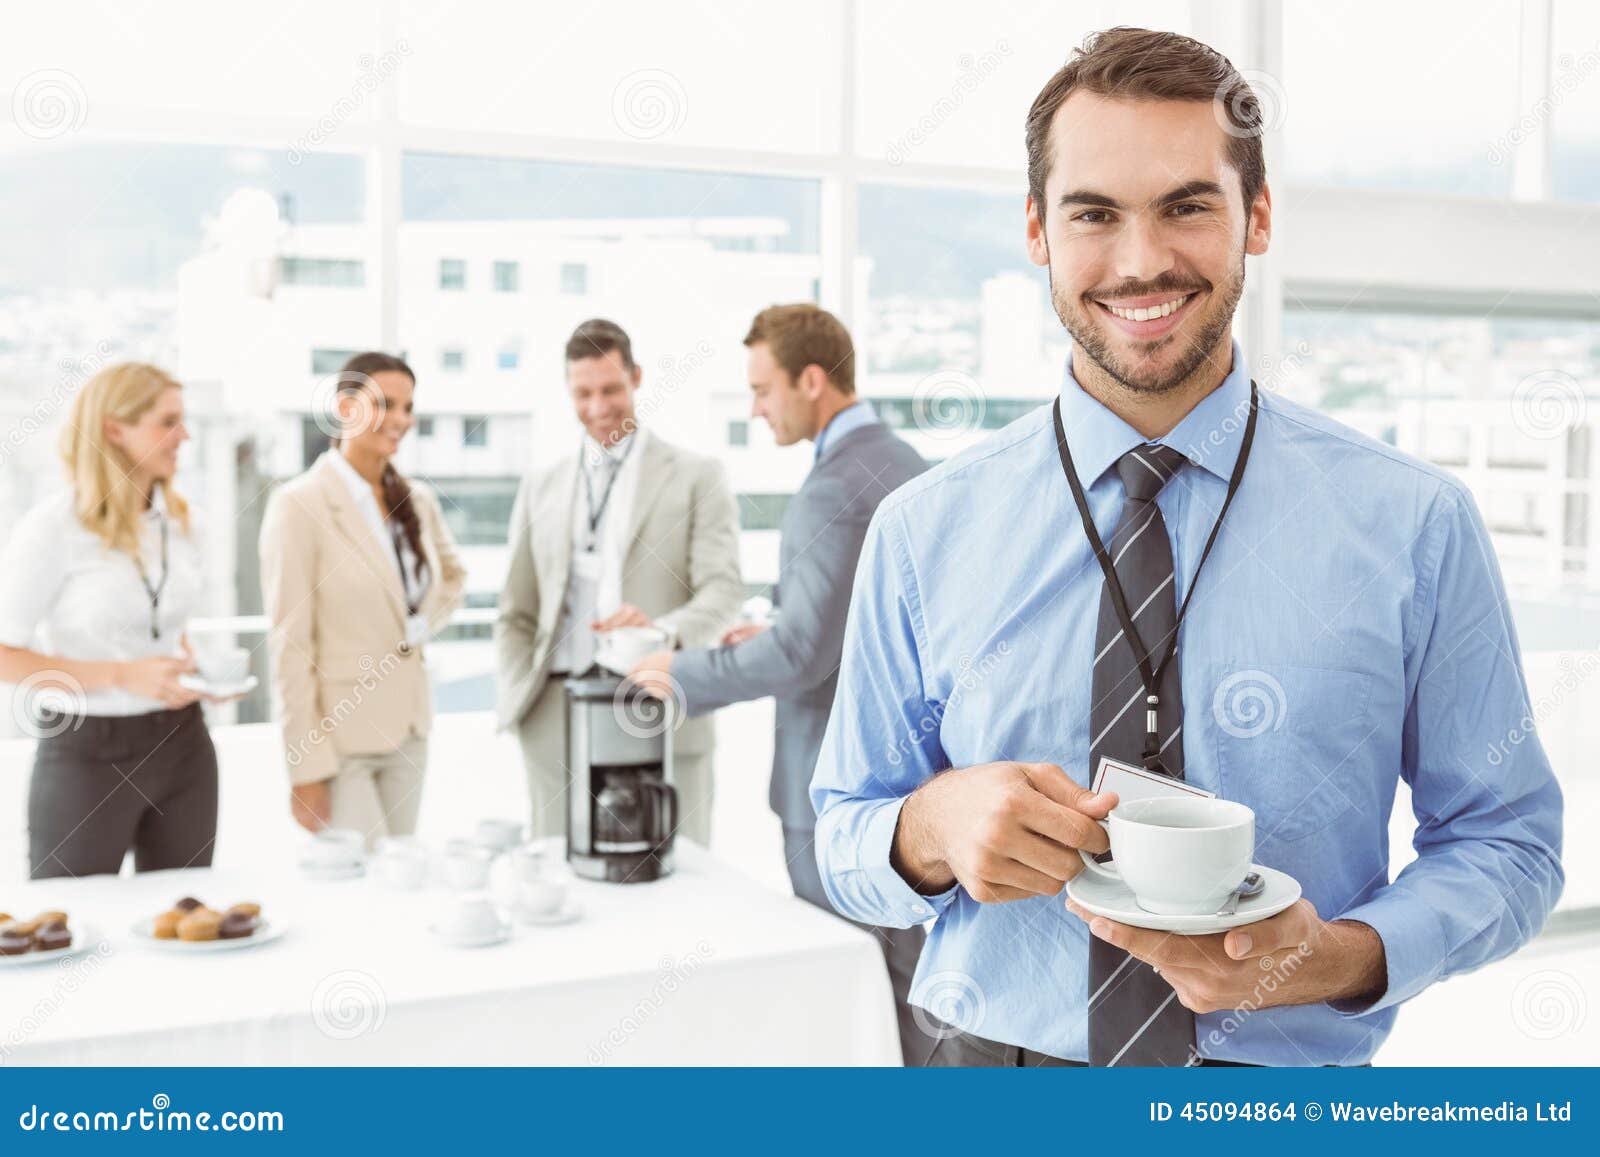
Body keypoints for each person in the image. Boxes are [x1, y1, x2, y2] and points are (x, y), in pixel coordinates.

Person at [810, 27, 1564, 1067]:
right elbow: (841, 830)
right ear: (1037, 230)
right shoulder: (920, 530)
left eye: (1186, 205)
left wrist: (1338, 956)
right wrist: (926, 829)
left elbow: (1509, 841)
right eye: (1093, 214)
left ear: (1255, 217)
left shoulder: (1414, 523)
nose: (1140, 260)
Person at [628, 304, 930, 1062]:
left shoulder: (831, 488)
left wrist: (679, 671)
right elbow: (851, 629)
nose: (758, 408)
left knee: (860, 997)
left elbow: (801, 655)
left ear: (812, 379)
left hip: (832, 785)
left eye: (763, 390)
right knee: (907, 985)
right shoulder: (907, 465)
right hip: (910, 782)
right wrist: (774, 628)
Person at [496, 319, 742, 843]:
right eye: (582, 393)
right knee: (562, 880)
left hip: (654, 707)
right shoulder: (541, 486)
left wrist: (659, 632)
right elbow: (515, 611)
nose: (598, 406)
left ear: (636, 377)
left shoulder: (697, 475)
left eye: (610, 389)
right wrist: (519, 693)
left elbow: (723, 592)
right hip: (555, 709)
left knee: (674, 878)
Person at [0, 362, 223, 878]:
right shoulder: (53, 529)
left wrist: (189, 668)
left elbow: (158, 621)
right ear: (114, 429)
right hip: (87, 751)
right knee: (65, 923)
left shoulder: (183, 524)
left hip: (182, 742)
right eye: (167, 421)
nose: (184, 436)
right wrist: (125, 676)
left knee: (185, 914)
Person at [259, 352, 465, 843]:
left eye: (407, 407)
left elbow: (452, 578)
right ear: (345, 408)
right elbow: (290, 644)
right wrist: (303, 767)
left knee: (403, 879)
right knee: (359, 889)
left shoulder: (417, 500)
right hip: (340, 740)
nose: (400, 420)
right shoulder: (300, 505)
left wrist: (418, 625)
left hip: (411, 727)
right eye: (385, 404)